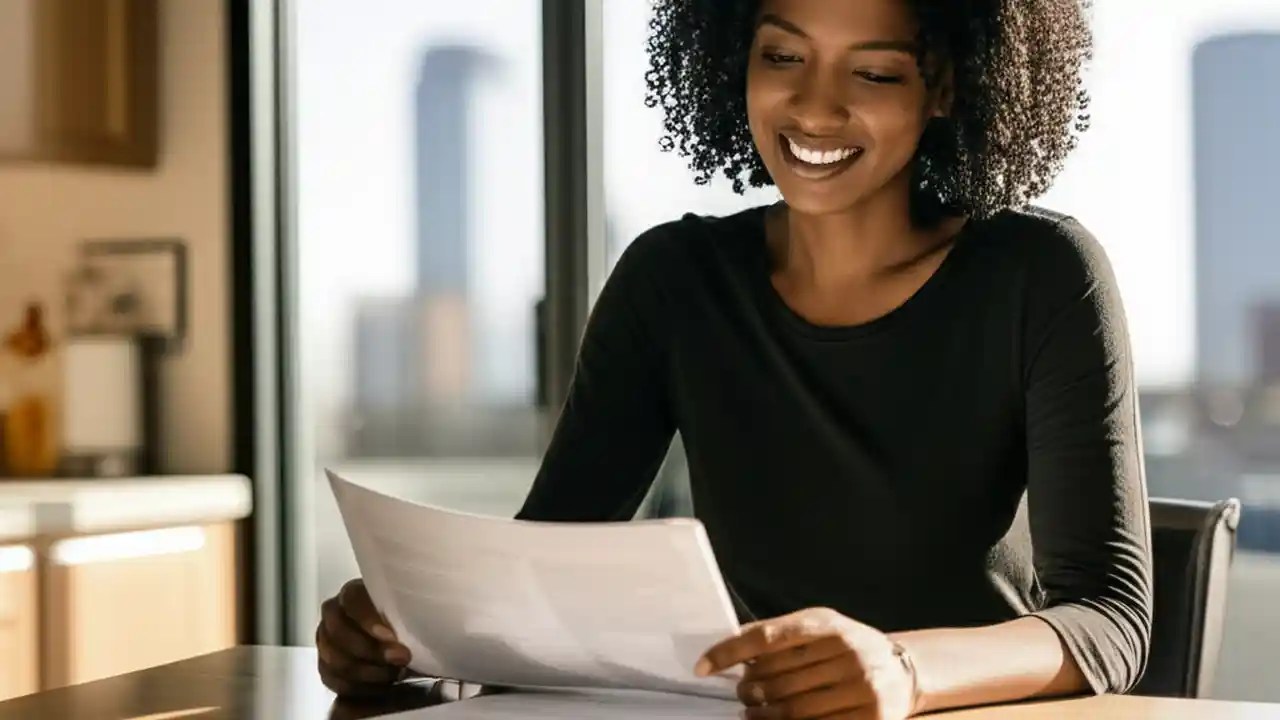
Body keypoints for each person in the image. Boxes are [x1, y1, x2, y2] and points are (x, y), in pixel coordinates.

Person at [316, 0, 1153, 717]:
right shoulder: (673, 280)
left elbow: (1112, 617)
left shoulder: (1040, 274)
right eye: (783, 55)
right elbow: (547, 562)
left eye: (876, 73)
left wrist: (901, 673)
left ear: (945, 86)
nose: (814, 106)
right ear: (734, 58)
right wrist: (405, 628)